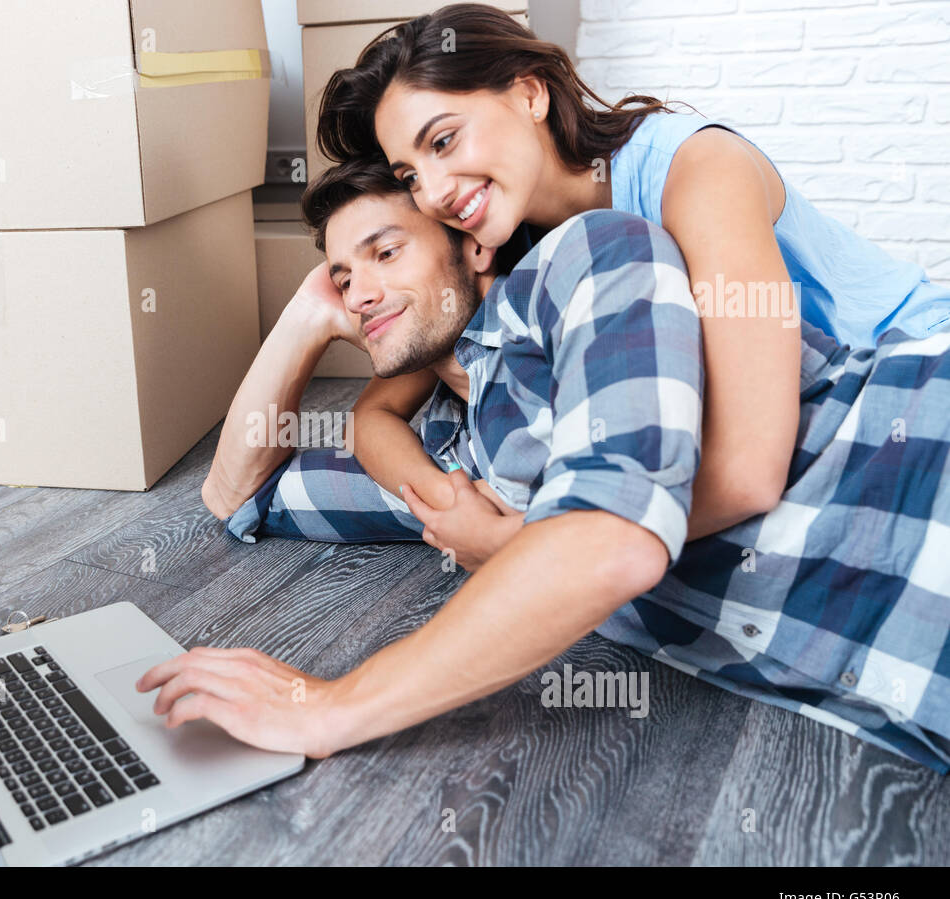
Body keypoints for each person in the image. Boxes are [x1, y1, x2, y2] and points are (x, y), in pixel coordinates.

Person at [139, 159, 950, 773]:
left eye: (386, 252)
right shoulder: (447, 465)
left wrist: (330, 707)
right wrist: (303, 318)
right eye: (344, 278)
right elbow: (239, 493)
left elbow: (615, 529)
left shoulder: (593, 261)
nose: (361, 293)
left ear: (474, 248)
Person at [313, 3, 950, 543]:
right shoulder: (507, 238)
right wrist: (453, 512)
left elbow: (748, 473)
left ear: (530, 92)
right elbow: (375, 414)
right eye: (410, 176)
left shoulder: (695, 170)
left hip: (902, 377)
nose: (436, 192)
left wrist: (524, 541)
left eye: (444, 141)